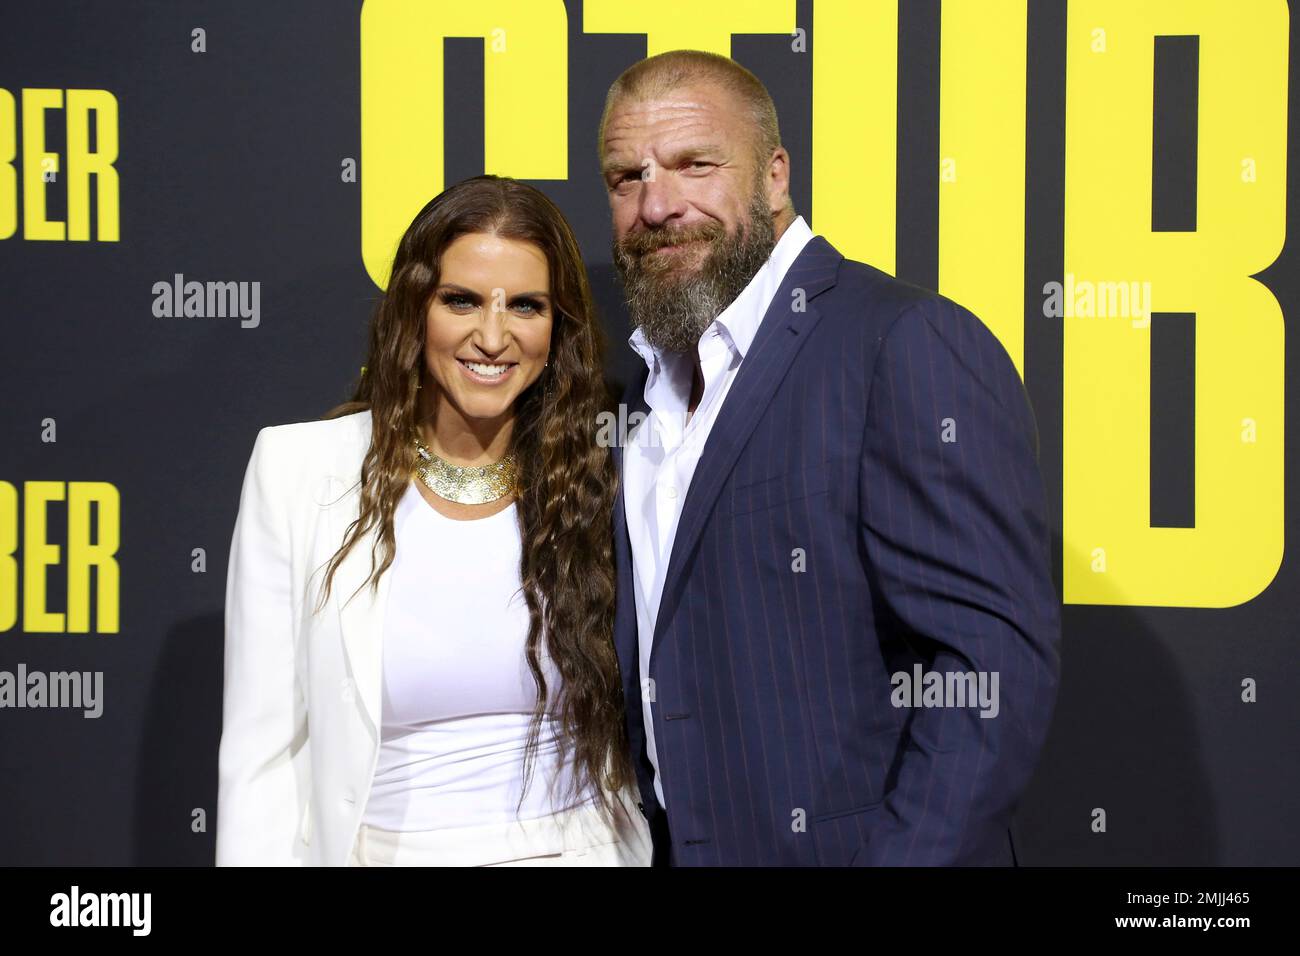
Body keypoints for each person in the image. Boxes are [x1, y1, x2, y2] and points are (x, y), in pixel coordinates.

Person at [599, 50, 1061, 865]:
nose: (656, 204)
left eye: (694, 164)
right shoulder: (645, 390)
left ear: (775, 177)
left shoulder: (902, 342)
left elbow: (989, 673)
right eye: (626, 177)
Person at [216, 175, 651, 866]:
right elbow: (261, 753)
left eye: (526, 306)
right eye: (462, 300)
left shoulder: (611, 474)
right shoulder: (298, 471)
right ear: (415, 309)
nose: (493, 336)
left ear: (557, 327)